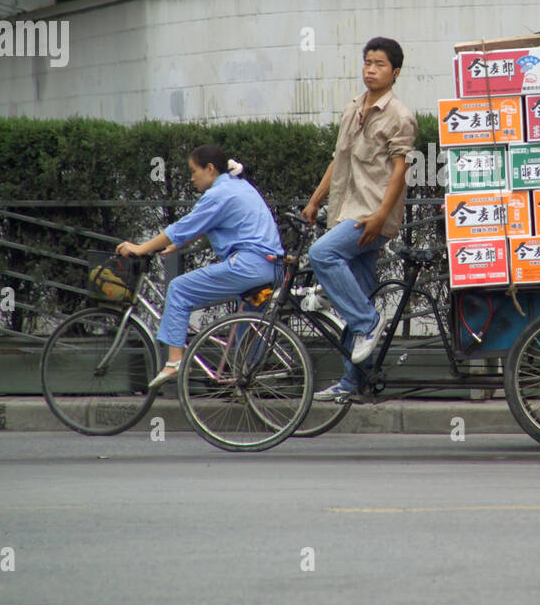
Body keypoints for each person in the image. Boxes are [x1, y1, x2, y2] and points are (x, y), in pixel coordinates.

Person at [302, 37, 417, 402]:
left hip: (370, 216)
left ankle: (368, 323)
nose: (370, 69)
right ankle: (352, 383)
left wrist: (381, 217)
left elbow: (401, 171)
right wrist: (315, 200)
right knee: (361, 292)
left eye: (379, 64)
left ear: (395, 72)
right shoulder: (353, 107)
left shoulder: (400, 115)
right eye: (367, 62)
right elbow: (341, 160)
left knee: (321, 255)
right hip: (346, 213)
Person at [116, 145, 283, 390]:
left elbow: (185, 226)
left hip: (249, 265)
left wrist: (141, 248)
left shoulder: (218, 194)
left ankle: (174, 362)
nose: (191, 178)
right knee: (249, 328)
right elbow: (207, 223)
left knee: (179, 289)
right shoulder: (239, 185)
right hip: (272, 266)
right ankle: (247, 381)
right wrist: (177, 244)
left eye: (194, 171)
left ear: (210, 169)